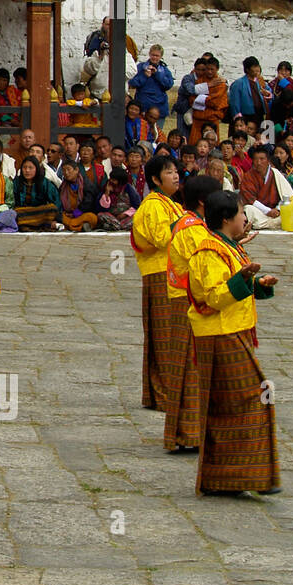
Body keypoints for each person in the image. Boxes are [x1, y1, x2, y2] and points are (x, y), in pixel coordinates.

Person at [186, 191, 280, 496]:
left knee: (228, 406)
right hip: (220, 333)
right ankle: (249, 475)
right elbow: (212, 297)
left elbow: (236, 284)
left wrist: (256, 284)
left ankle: (227, 478)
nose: (245, 218)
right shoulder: (208, 251)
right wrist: (241, 282)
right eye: (242, 213)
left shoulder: (229, 247)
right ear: (226, 219)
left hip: (235, 330)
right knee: (256, 397)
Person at [162, 174, 220, 451]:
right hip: (187, 300)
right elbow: (206, 266)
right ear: (203, 202)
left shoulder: (195, 225)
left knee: (188, 367)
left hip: (184, 298)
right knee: (189, 367)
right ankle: (187, 434)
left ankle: (185, 432)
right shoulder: (193, 230)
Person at [130, 155, 187, 415]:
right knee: (164, 338)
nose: (175, 176)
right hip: (160, 274)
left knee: (168, 336)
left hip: (172, 274)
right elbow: (164, 238)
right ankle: (165, 393)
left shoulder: (171, 204)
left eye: (176, 171)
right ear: (155, 179)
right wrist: (187, 223)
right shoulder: (153, 205)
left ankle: (162, 392)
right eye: (169, 172)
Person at [238, 146, 293, 229]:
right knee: (249, 209)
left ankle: (268, 223)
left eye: (262, 159)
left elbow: (286, 195)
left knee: (289, 210)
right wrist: (268, 211)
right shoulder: (248, 176)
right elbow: (250, 199)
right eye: (256, 159)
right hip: (259, 211)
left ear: (268, 161)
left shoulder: (275, 174)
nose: (258, 162)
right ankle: (272, 223)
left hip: (275, 212)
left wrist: (278, 210)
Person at [12, 155, 59, 231]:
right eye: (24, 167)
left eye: (30, 168)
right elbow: (12, 201)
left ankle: (27, 225)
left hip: (39, 211)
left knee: (51, 208)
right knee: (14, 212)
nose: (27, 170)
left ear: (36, 169)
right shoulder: (17, 182)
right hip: (22, 212)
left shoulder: (44, 182)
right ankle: (39, 225)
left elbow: (55, 200)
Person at [127, 45, 174, 121]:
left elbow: (168, 85)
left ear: (161, 56)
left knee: (156, 132)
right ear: (149, 54)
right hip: (142, 107)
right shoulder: (141, 67)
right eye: (153, 55)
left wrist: (157, 74)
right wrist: (144, 76)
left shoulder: (164, 70)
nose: (154, 57)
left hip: (159, 108)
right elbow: (132, 82)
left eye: (157, 56)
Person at [228, 56, 271, 128]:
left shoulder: (260, 81)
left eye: (257, 66)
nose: (257, 69)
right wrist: (238, 118)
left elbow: (269, 92)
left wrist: (267, 94)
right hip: (245, 117)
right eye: (254, 67)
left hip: (259, 116)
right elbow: (235, 103)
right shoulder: (239, 83)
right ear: (247, 69)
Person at [191, 55, 228, 136]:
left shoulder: (221, 84)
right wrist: (208, 98)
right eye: (207, 69)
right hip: (198, 120)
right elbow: (191, 99)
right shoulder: (199, 81)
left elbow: (215, 103)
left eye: (212, 69)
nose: (209, 72)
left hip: (212, 120)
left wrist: (201, 99)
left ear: (217, 69)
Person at [57, 160, 98, 232]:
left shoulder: (86, 183)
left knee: (92, 217)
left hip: (81, 214)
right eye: (64, 170)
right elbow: (59, 202)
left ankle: (70, 226)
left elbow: (88, 202)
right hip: (68, 215)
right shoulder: (63, 186)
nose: (66, 173)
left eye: (68, 170)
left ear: (76, 170)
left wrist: (75, 213)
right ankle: (79, 227)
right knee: (58, 215)